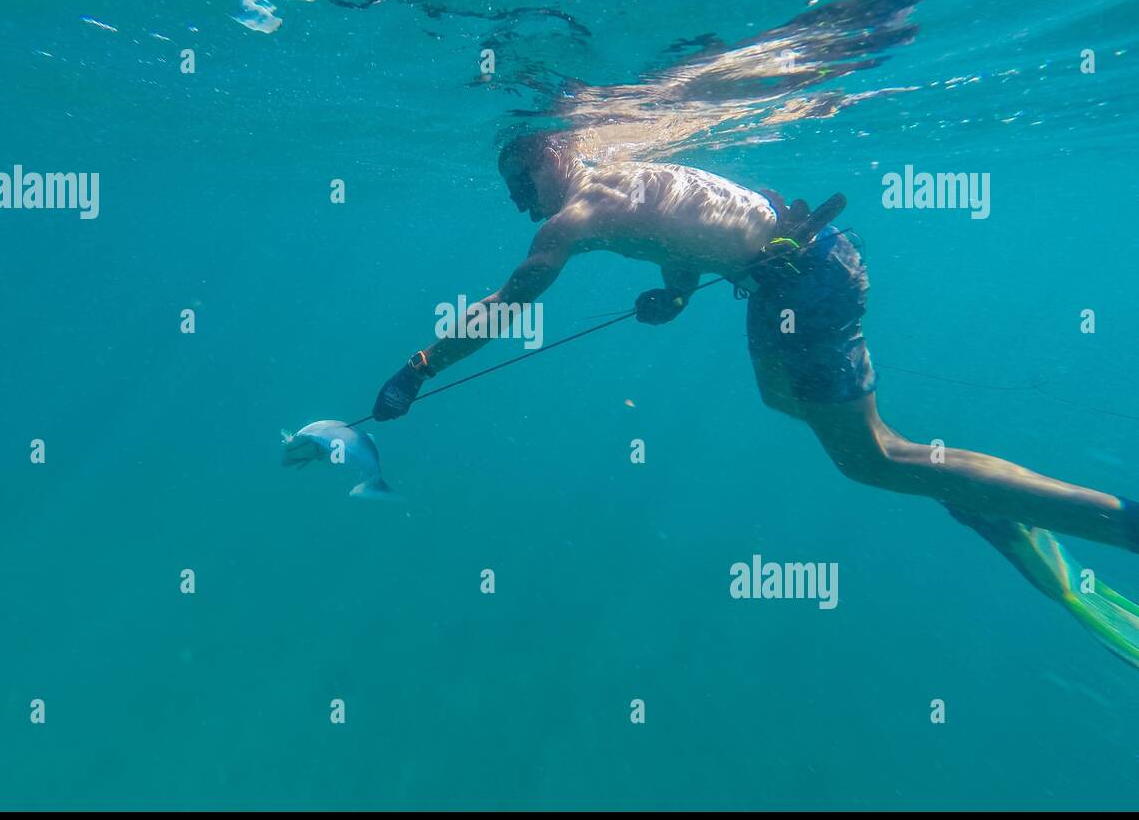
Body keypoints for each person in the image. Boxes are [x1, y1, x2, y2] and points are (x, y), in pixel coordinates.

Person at [372, 132, 1139, 661]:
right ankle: (967, 484)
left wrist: (420, 366)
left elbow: (511, 301)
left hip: (804, 273)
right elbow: (684, 235)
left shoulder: (576, 218)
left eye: (518, 181)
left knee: (871, 459)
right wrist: (674, 294)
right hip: (790, 270)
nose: (517, 201)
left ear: (550, 154)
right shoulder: (621, 185)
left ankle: (1105, 519)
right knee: (782, 398)